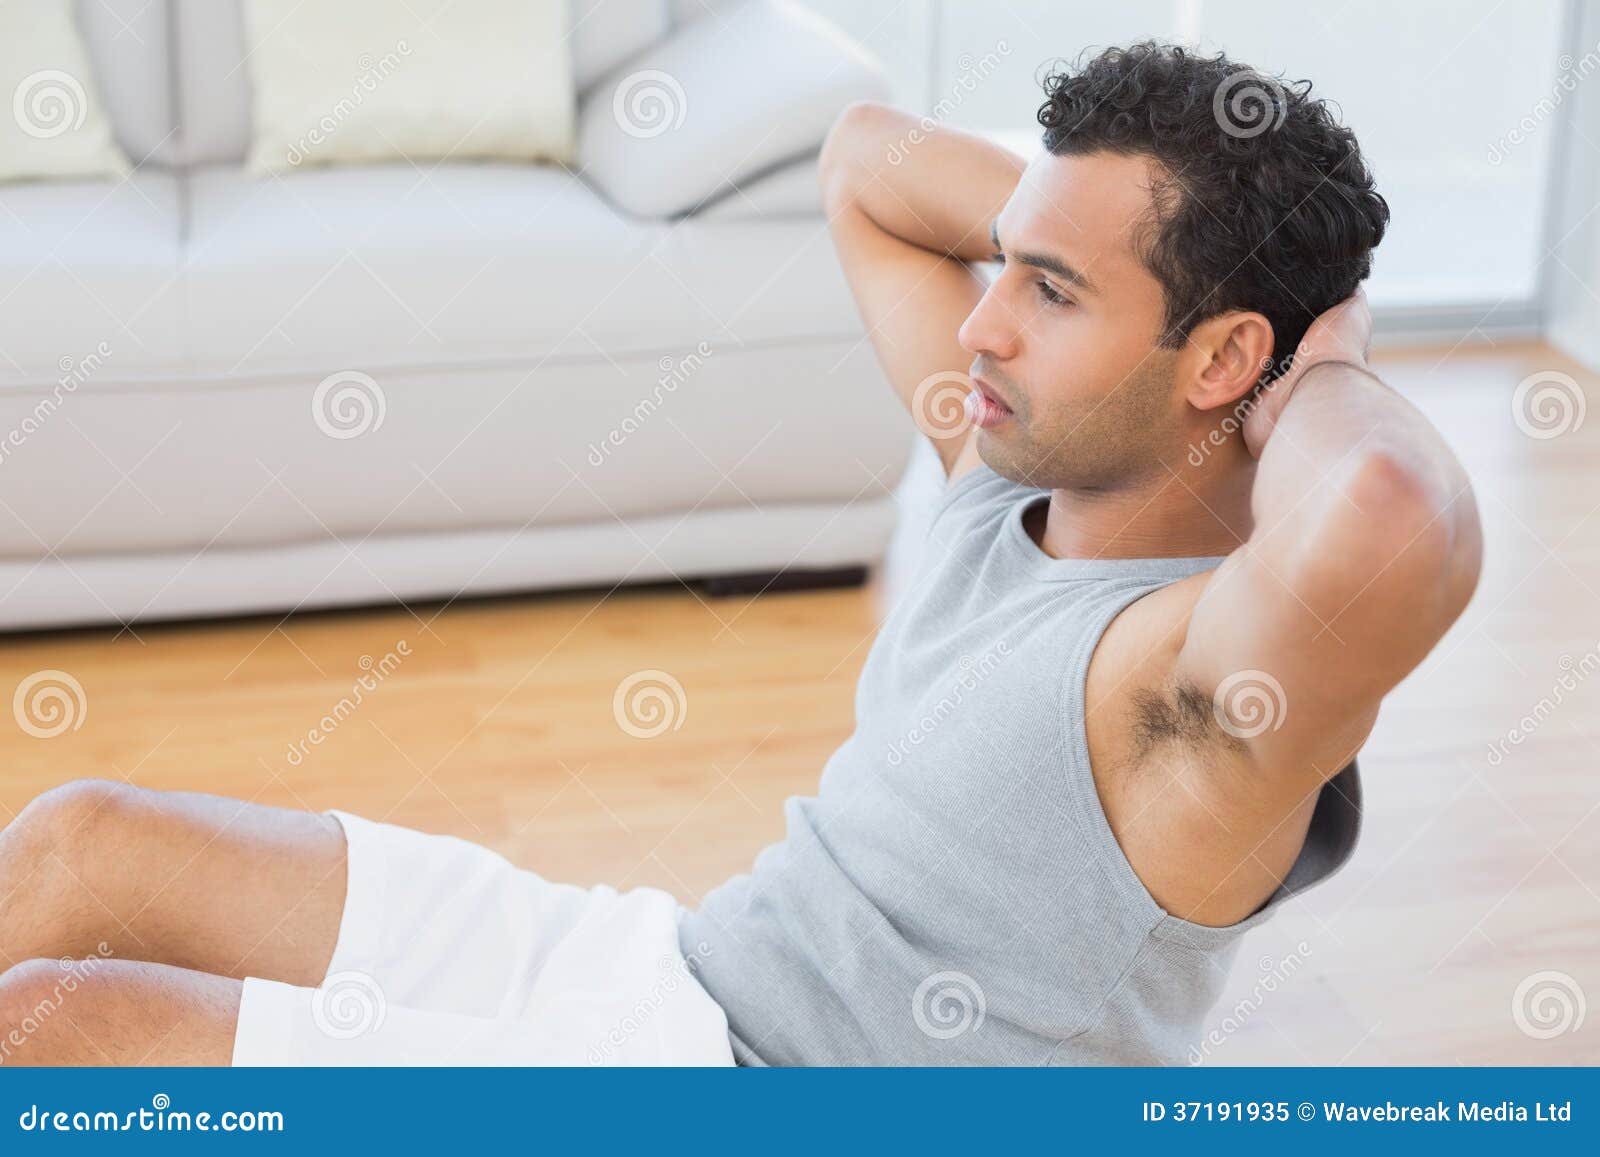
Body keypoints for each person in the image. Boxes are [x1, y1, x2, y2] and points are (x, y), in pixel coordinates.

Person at [0, 43, 1480, 1066]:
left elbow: (1391, 522)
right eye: (1007, 265)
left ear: (1226, 361)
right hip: (675, 977)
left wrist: (1323, 342)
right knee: (83, 842)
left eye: (1046, 289)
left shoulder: (1182, 695)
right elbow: (863, 166)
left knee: (58, 1027)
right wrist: (1096, 237)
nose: (981, 321)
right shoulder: (1001, 476)